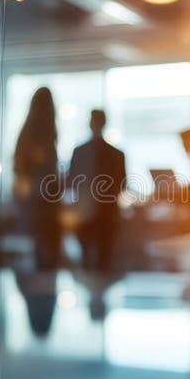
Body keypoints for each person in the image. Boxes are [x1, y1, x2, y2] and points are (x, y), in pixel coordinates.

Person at [68, 110, 126, 273]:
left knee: (90, 261)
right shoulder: (116, 154)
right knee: (102, 261)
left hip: (88, 214)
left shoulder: (79, 152)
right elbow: (122, 185)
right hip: (100, 214)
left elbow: (71, 181)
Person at [13, 87, 64, 269]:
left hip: (38, 203)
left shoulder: (29, 135)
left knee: (42, 256)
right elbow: (41, 175)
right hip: (41, 204)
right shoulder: (40, 138)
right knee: (45, 257)